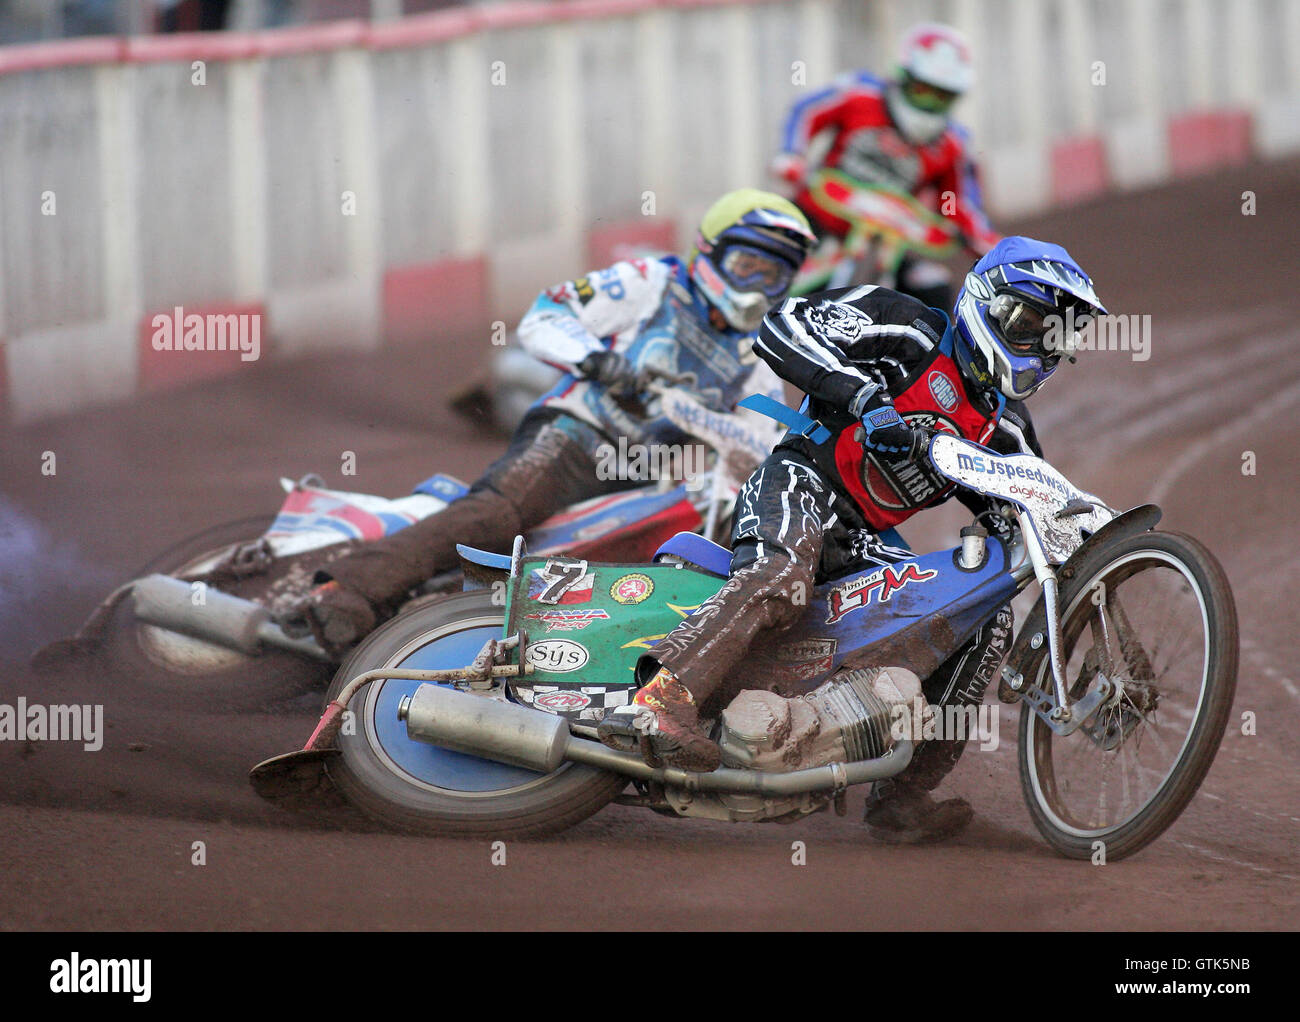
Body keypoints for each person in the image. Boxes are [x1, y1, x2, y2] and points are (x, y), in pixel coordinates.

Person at [599, 235, 1107, 843]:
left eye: (1053, 335)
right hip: (799, 481)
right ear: (987, 300)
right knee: (782, 577)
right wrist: (866, 398)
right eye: (1028, 322)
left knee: (980, 615)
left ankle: (901, 796)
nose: (1035, 343)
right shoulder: (908, 327)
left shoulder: (1004, 428)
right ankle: (660, 698)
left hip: (865, 538)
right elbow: (782, 326)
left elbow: (1029, 512)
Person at [278, 189, 816, 656]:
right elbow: (547, 315)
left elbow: (768, 438)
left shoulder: (756, 355)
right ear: (710, 251)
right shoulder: (652, 281)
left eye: (775, 275)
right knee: (497, 514)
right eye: (749, 266)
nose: (757, 285)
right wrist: (594, 359)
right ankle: (347, 589)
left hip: (655, 471)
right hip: (577, 437)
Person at [772, 22, 999, 309]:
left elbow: (955, 203)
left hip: (886, 241)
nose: (929, 103)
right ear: (903, 77)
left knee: (932, 286)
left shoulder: (952, 145)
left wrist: (987, 244)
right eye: (922, 90)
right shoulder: (859, 96)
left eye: (942, 96)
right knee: (767, 252)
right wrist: (792, 155)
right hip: (818, 217)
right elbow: (807, 111)